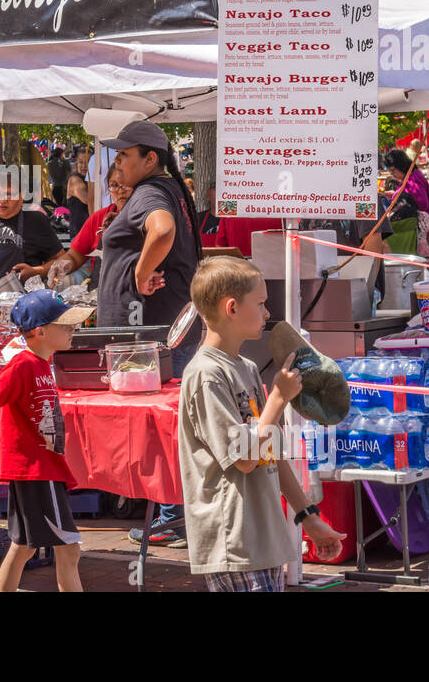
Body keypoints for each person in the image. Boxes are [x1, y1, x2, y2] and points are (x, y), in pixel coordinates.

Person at [179, 257, 345, 590]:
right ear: (231, 308)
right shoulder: (206, 375)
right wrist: (278, 399)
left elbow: (270, 452)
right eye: (260, 303)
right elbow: (244, 459)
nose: (267, 313)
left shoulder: (247, 368)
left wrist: (308, 516)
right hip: (235, 542)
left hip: (264, 540)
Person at [99, 120, 201, 548]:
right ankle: (174, 515)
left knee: (160, 427)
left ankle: (172, 517)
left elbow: (161, 230)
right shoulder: (169, 189)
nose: (118, 161)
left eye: (125, 154)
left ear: (151, 159)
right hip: (163, 328)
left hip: (151, 332)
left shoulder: (150, 193)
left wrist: (140, 274)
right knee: (171, 424)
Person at [0, 291, 90, 591]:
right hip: (37, 471)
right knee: (68, 549)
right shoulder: (23, 364)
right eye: (66, 324)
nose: (73, 330)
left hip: (40, 469)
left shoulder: (40, 365)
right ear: (40, 331)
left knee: (23, 547)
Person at [47, 170, 132, 287]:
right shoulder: (98, 218)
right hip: (99, 293)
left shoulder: (148, 218)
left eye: (127, 185)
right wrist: (60, 266)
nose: (120, 190)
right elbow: (74, 256)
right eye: (114, 185)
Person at [383, 149, 429, 253]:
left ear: (401, 166)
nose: (392, 174)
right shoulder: (411, 176)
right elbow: (409, 196)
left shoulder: (413, 180)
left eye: (393, 171)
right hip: (420, 227)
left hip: (420, 227)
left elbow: (421, 203)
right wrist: (395, 194)